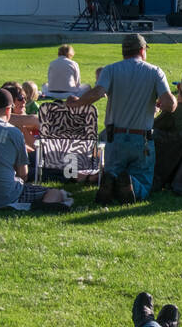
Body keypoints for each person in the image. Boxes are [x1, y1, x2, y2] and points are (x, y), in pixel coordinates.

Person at [68, 33, 175, 204]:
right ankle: (130, 186)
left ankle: (111, 183)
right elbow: (170, 104)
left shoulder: (110, 70)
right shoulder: (155, 72)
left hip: (114, 137)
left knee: (114, 170)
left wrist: (78, 103)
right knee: (143, 181)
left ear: (124, 51)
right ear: (142, 50)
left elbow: (98, 93)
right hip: (142, 139)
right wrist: (166, 102)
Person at [0, 88, 69, 210]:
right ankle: (41, 207)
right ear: (9, 110)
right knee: (55, 193)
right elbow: (23, 174)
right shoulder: (12, 132)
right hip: (4, 195)